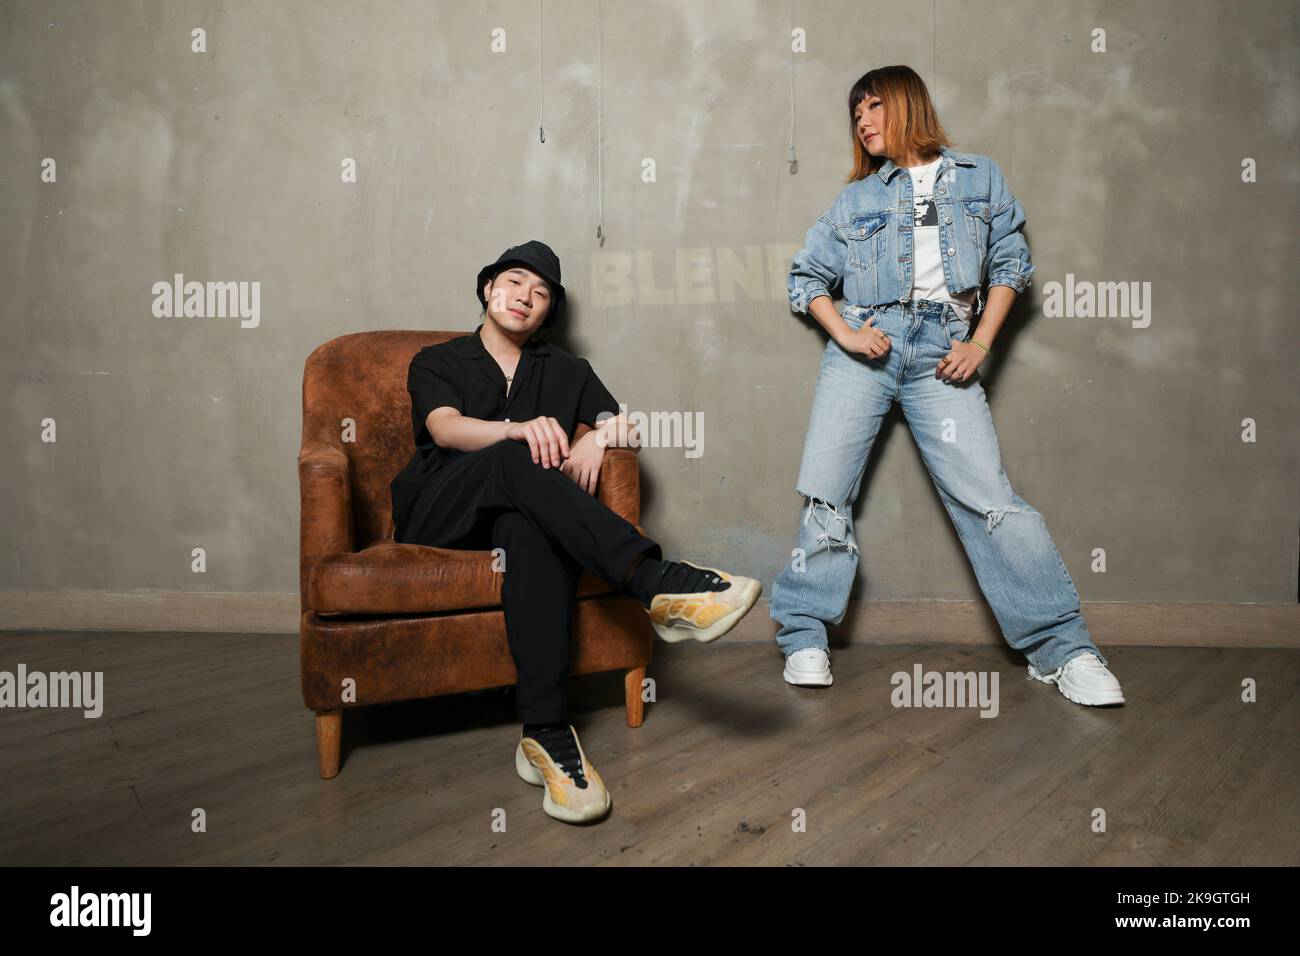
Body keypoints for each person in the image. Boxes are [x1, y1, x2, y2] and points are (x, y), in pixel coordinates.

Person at [770, 65, 1124, 707]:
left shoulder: (979, 177)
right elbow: (805, 280)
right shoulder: (855, 199)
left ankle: (1063, 649)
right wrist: (848, 336)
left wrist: (980, 344)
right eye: (855, 114)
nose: (864, 122)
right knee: (827, 491)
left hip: (943, 349)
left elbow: (1012, 265)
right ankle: (803, 635)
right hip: (867, 346)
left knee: (990, 498)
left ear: (907, 104)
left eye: (874, 106)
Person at [390, 240, 762, 824]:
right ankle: (653, 579)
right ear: (489, 289)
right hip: (440, 510)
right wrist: (514, 433)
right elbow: (446, 430)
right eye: (515, 283)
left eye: (541, 294)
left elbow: (629, 428)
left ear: (547, 313)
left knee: (530, 530)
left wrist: (597, 437)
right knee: (520, 458)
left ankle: (544, 733)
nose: (526, 298)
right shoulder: (439, 359)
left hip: (515, 514)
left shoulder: (567, 371)